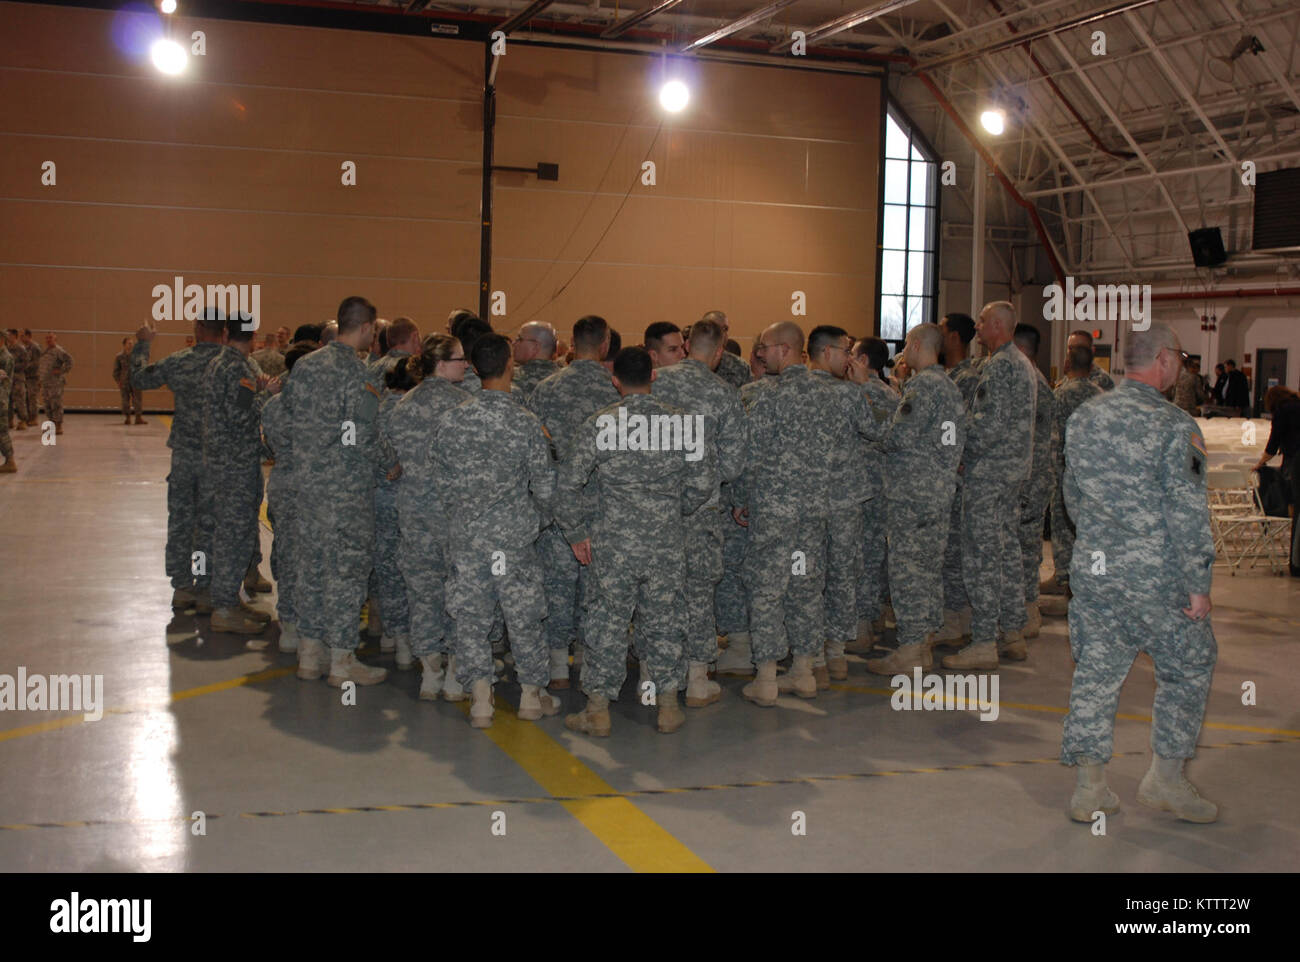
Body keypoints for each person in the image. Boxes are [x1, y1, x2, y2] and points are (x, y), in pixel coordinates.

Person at [1062, 322, 1218, 824]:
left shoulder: (1086, 415)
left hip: (1096, 570)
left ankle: (1089, 789)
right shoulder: (1176, 425)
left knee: (1095, 673)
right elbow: (1188, 511)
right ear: (1166, 360)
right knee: (1189, 665)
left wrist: (1100, 542)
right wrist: (1199, 583)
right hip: (1158, 580)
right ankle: (1164, 780)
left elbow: (1072, 496)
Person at [559, 347, 714, 736]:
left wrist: (577, 533)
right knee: (666, 619)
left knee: (607, 621)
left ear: (615, 380)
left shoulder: (601, 424)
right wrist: (671, 512)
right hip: (665, 541)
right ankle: (668, 706)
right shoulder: (682, 424)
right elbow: (702, 485)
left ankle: (597, 710)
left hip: (613, 544)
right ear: (655, 375)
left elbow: (567, 485)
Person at [432, 333, 557, 729]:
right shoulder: (526, 422)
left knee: (471, 617)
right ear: (509, 366)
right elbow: (547, 488)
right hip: (513, 539)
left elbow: (441, 483)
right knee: (523, 615)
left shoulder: (451, 419)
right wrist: (534, 521)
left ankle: (481, 698)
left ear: (473, 367)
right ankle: (531, 697)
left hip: (469, 538)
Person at [279, 296, 398, 687]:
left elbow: (285, 420)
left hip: (307, 489)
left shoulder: (305, 367)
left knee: (311, 569)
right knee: (346, 574)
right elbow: (362, 433)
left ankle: (310, 656)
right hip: (346, 492)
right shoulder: (357, 374)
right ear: (366, 328)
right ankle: (343, 662)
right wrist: (390, 463)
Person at [732, 322, 839, 703]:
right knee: (805, 586)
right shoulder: (831, 395)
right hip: (813, 514)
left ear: (783, 349)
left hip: (775, 514)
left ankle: (766, 678)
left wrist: (741, 499)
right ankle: (804, 671)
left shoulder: (771, 398)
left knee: (767, 589)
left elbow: (752, 455)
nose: (760, 355)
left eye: (764, 348)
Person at [650, 318, 747, 705]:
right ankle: (697, 679)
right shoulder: (724, 393)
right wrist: (707, 478)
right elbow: (737, 461)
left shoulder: (657, 380)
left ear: (687, 345)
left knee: (657, 592)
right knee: (699, 591)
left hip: (654, 507)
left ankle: (658, 677)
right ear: (720, 352)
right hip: (703, 510)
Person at [862, 324, 965, 673]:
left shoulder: (923, 387)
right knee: (927, 571)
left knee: (907, 573)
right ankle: (922, 645)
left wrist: (867, 419)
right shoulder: (949, 385)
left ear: (918, 345)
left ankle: (910, 649)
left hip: (913, 495)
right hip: (937, 492)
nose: (904, 352)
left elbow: (897, 437)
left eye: (907, 345)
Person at [944, 301, 1037, 670]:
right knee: (1006, 552)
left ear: (997, 325)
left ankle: (984, 640)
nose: (978, 328)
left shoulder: (1000, 365)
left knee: (982, 554)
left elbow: (986, 424)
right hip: (1011, 473)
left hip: (989, 473)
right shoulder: (1022, 364)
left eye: (982, 322)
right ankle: (1012, 631)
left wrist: (962, 452)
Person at [529, 315, 619, 688]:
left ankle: (556, 666)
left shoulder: (546, 389)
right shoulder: (616, 392)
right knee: (597, 588)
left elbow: (533, 449)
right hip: (604, 506)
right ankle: (588, 658)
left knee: (557, 585)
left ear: (571, 341)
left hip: (557, 505)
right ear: (604, 345)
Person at [384, 334, 472, 699]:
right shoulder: (465, 405)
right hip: (454, 515)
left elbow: (390, 461)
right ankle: (455, 675)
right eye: (460, 359)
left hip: (414, 512)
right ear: (441, 363)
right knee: (458, 590)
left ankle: (429, 671)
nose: (466, 365)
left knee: (422, 593)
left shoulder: (402, 406)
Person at [132, 313, 225, 611]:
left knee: (182, 521)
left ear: (197, 329)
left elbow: (138, 378)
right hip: (217, 459)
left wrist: (143, 344)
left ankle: (183, 587)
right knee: (210, 524)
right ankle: (206, 584)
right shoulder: (231, 365)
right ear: (223, 332)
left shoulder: (179, 361)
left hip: (185, 456)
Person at [202, 315, 279, 637]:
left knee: (233, 532)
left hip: (226, 461)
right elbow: (240, 414)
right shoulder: (236, 368)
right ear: (253, 336)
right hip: (236, 464)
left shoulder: (219, 363)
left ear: (225, 333)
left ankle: (229, 600)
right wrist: (265, 394)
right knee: (233, 536)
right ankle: (223, 607)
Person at [809, 325, 878, 685]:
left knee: (809, 577)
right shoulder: (849, 395)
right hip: (845, 500)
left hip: (806, 500)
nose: (849, 358)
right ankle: (835, 653)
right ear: (826, 353)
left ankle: (812, 657)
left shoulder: (793, 392)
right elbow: (875, 430)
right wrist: (864, 386)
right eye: (845, 351)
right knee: (843, 574)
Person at [258, 341, 315, 654]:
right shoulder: (317, 404)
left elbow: (266, 449)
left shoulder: (273, 405)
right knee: (312, 556)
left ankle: (288, 623)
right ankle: (309, 626)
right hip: (310, 486)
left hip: (280, 484)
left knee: (285, 549)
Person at [846, 336, 898, 650]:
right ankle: (875, 616)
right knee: (875, 554)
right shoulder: (892, 394)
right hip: (883, 487)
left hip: (863, 489)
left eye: (853, 355)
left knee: (862, 557)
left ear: (863, 360)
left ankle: (862, 628)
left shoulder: (863, 393)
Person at [933, 314, 981, 644]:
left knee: (952, 550)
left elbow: (961, 428)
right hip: (944, 475)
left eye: (941, 328)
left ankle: (954, 619)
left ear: (952, 338)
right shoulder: (948, 375)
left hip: (954, 477)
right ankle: (957, 617)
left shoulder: (966, 378)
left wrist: (954, 460)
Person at [1042, 345, 1102, 599]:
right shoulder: (1101, 394)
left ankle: (1064, 577)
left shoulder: (1062, 394)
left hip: (1067, 472)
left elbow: (1054, 439)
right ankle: (1090, 577)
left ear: (1067, 364)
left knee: (1063, 527)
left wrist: (1052, 474)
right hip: (1095, 473)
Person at [1012, 323, 1057, 639]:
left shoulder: (1032, 384)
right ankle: (1025, 609)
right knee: (1024, 546)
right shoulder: (1033, 380)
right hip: (1033, 475)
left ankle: (1028, 611)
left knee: (1026, 548)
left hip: (1033, 477)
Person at [1253, 385, 1300, 576]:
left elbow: (1273, 443)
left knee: (1298, 512)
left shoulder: (1282, 411)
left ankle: (1296, 564)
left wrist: (1260, 463)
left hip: (1296, 462)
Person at [700, 311, 752, 390]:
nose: (722, 333)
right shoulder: (687, 361)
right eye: (715, 328)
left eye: (725, 329)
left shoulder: (740, 367)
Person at [511, 320, 563, 397]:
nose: (514, 343)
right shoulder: (565, 380)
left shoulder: (510, 378)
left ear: (535, 347)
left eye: (519, 339)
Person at [37, 333, 73, 435]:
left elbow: (70, 361)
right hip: (45, 383)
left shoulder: (59, 351)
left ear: (55, 340)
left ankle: (58, 425)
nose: (48, 340)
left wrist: (61, 370)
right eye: (47, 338)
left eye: (51, 338)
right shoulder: (45, 351)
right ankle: (52, 425)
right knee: (47, 405)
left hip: (55, 383)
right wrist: (40, 380)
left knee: (56, 404)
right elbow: (42, 367)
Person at [113, 337, 145, 425]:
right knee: (125, 400)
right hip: (124, 381)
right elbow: (116, 370)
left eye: (132, 343)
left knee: (137, 399)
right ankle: (127, 418)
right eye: (129, 343)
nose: (131, 345)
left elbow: (142, 368)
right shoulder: (119, 356)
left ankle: (138, 418)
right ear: (124, 345)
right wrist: (118, 381)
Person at [16, 330, 41, 427]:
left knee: (32, 398)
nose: (21, 338)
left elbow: (36, 363)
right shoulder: (23, 348)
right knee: (25, 398)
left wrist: (24, 366)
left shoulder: (35, 348)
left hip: (33, 377)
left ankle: (33, 418)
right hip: (25, 377)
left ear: (29, 336)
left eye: (23, 336)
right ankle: (26, 418)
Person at [0, 338, 14, 473]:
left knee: (1, 431)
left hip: (0, 400)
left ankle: (10, 461)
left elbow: (3, 378)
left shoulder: (6, 357)